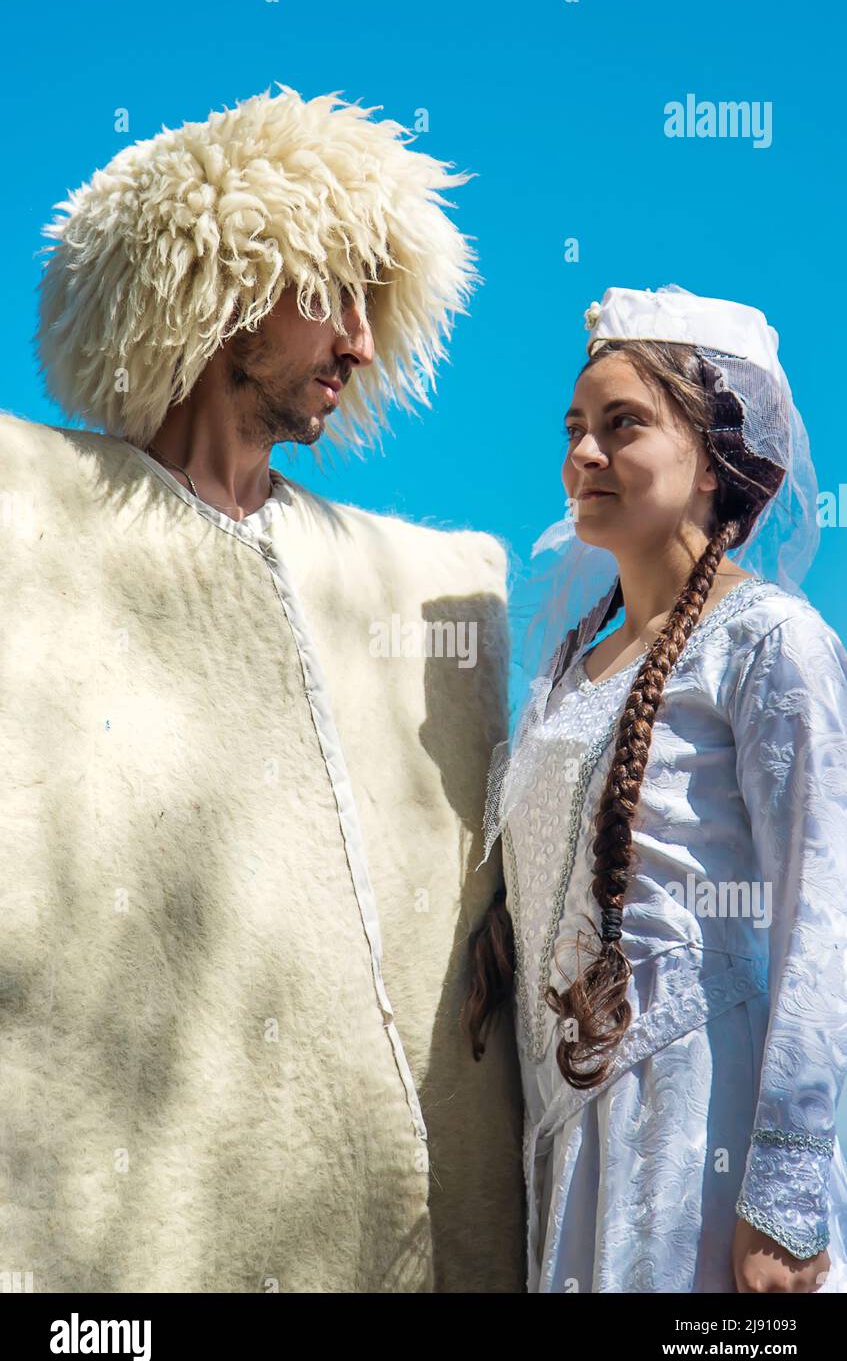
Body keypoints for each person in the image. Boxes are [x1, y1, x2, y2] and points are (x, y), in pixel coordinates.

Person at [0, 84, 525, 1293]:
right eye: (330, 297)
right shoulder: (39, 523)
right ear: (223, 295)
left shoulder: (424, 587)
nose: (359, 340)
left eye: (371, 308)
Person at [463, 284, 847, 1293]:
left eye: (622, 425)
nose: (582, 455)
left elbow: (824, 919)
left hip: (694, 1127)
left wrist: (783, 1197)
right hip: (565, 1118)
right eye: (574, 428)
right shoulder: (564, 669)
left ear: (714, 454)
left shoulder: (771, 644)